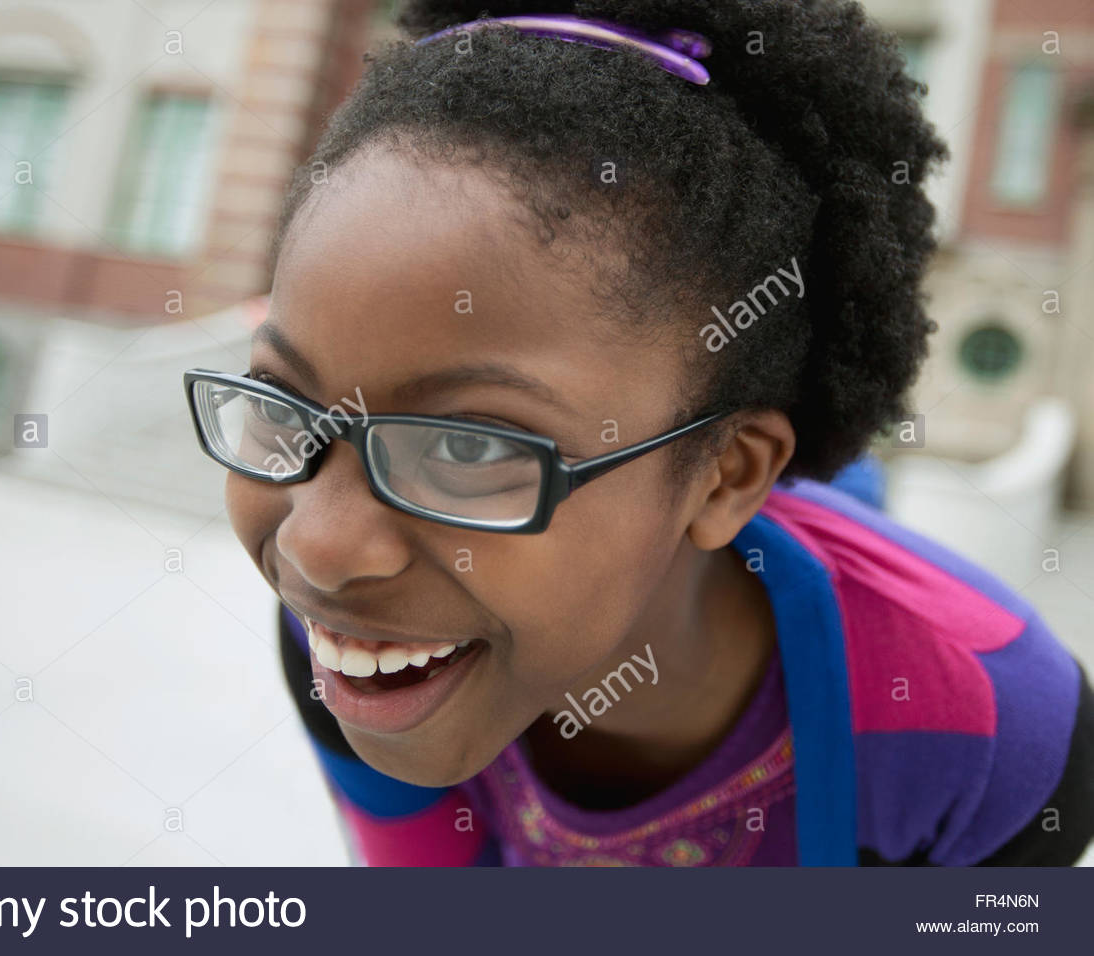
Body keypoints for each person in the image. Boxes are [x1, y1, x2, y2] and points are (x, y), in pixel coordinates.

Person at [185, 0, 1094, 865]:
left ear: (727, 474)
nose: (320, 549)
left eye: (468, 447)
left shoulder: (985, 726)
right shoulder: (349, 644)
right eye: (284, 403)